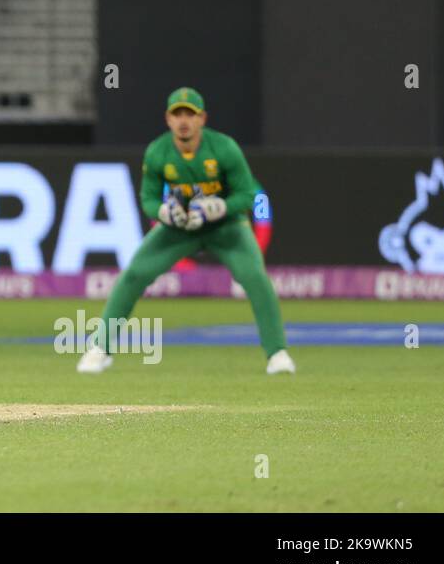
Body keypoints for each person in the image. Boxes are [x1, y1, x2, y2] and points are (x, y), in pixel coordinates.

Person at [77, 88, 295, 375]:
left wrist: (220, 207)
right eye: (177, 114)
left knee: (255, 276)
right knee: (134, 274)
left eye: (190, 114)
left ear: (202, 118)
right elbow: (149, 199)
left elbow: (246, 194)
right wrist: (165, 212)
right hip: (179, 229)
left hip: (225, 228)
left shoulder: (224, 148)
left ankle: (277, 353)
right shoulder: (158, 152)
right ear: (168, 119)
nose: (183, 121)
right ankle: (100, 349)